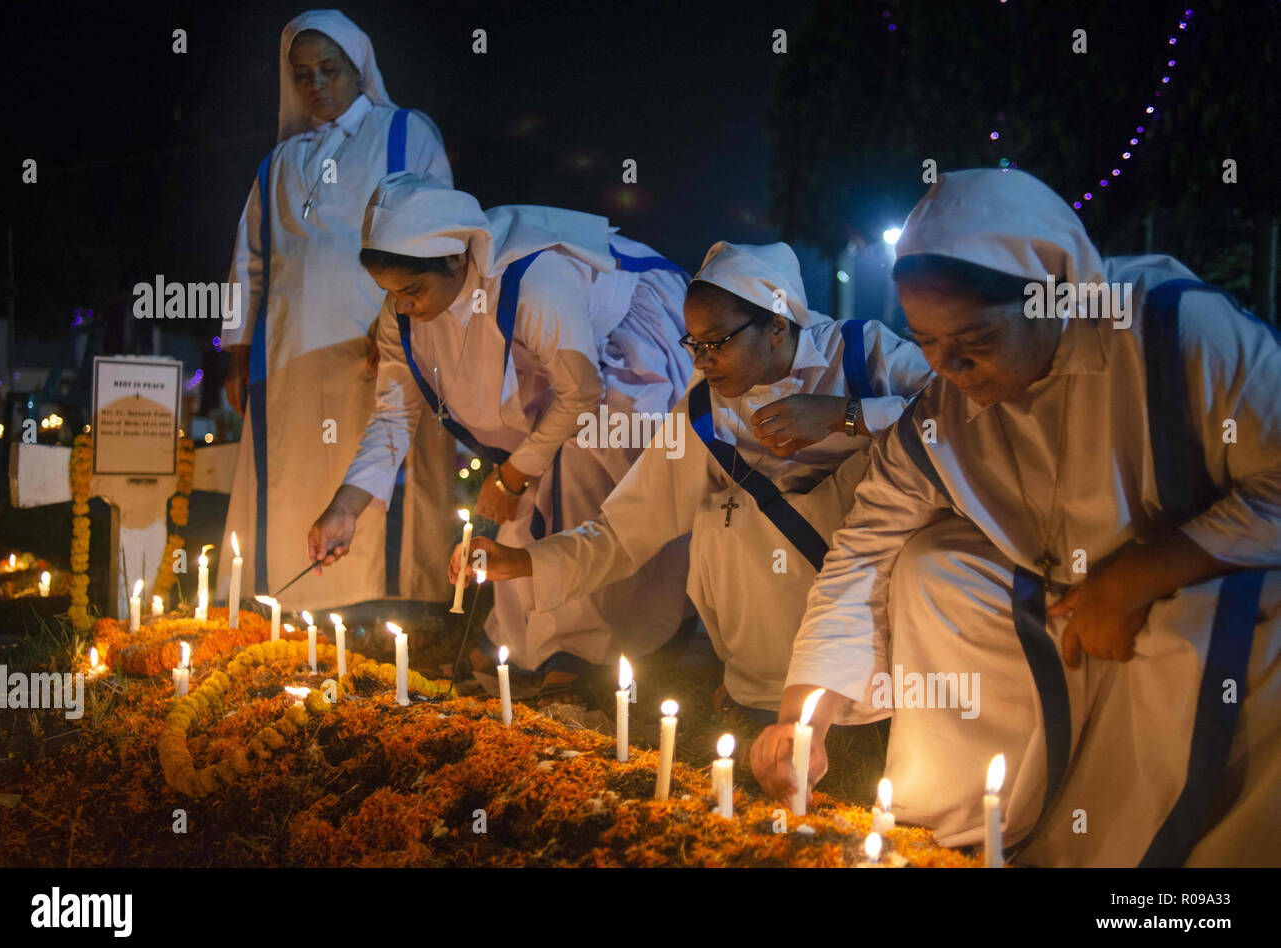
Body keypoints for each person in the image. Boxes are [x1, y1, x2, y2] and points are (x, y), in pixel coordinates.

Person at [752, 168, 1281, 866]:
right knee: (935, 567)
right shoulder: (944, 411)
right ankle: (973, 828)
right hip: (1061, 609)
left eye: (973, 337)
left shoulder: (1176, 332)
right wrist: (803, 714)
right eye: (928, 342)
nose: (952, 368)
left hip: (1204, 590)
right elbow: (864, 549)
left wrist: (1138, 578)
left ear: (1053, 292)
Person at [452, 241, 932, 715]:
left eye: (716, 343)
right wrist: (519, 561)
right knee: (725, 519)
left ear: (777, 327)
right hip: (777, 591)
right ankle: (765, 686)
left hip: (880, 567)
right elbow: (624, 533)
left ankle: (875, 687)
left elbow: (962, 415)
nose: (700, 362)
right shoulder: (705, 414)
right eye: (693, 344)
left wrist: (846, 415)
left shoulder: (859, 354)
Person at [309, 174, 696, 705]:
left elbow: (580, 393)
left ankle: (591, 652)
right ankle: (528, 644)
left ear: (455, 261)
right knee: (529, 478)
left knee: (585, 461)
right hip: (561, 391)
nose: (400, 307)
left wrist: (512, 477)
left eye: (411, 292)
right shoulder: (402, 316)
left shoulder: (535, 282)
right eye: (389, 293)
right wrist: (346, 506)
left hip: (617, 357)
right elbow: (394, 415)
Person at [218, 9, 457, 610]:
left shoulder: (405, 134)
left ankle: (390, 612)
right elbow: (249, 261)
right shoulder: (277, 163)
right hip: (289, 353)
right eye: (303, 74)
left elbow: (444, 244)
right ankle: (289, 602)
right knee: (292, 472)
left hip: (379, 350)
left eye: (329, 69)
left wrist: (413, 332)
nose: (316, 84)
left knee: (378, 454)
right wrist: (237, 350)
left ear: (359, 69)